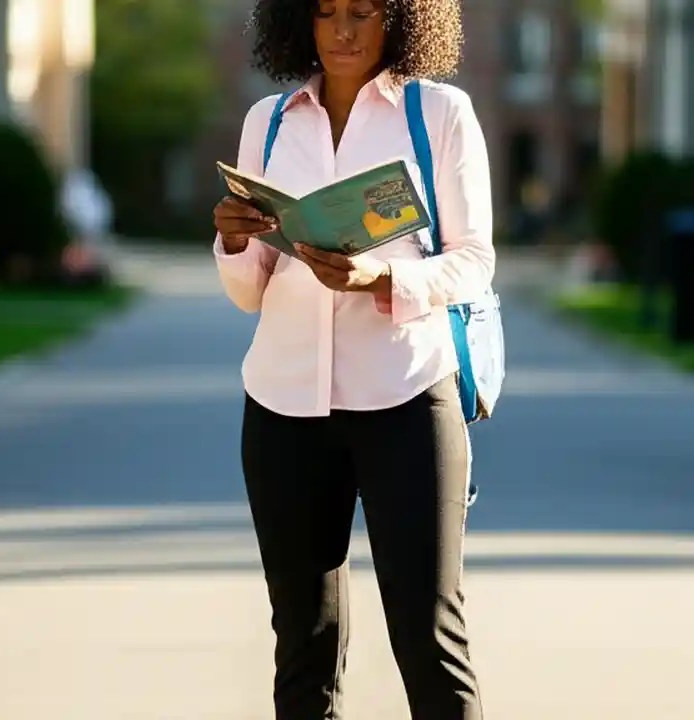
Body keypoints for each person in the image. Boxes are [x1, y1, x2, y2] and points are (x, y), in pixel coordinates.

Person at [210, 1, 492, 718]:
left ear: (398, 18)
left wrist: (382, 279)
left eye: (361, 12)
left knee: (429, 640)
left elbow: (474, 262)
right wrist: (237, 242)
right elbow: (249, 296)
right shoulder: (268, 123)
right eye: (326, 12)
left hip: (406, 396)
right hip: (282, 408)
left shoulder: (439, 114)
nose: (342, 31)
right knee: (302, 645)